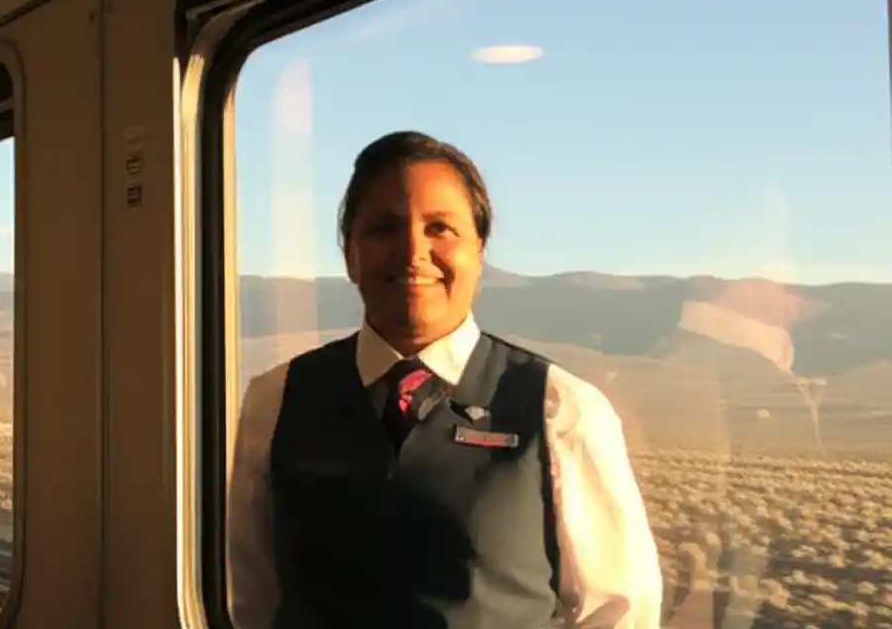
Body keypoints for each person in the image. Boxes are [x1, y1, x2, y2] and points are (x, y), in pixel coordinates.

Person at [226, 131, 662, 628]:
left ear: (479, 251)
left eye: (440, 228)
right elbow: (248, 596)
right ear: (350, 254)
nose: (413, 250)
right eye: (384, 228)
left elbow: (619, 613)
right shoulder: (275, 401)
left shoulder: (561, 409)